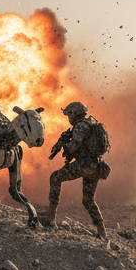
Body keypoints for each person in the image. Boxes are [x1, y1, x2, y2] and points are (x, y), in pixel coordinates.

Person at [46, 101, 109, 239]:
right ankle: (102, 232)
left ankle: (50, 218)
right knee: (88, 200)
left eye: (69, 115)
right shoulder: (92, 125)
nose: (69, 118)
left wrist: (64, 144)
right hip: (96, 166)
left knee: (55, 177)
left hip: (84, 165)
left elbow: (73, 146)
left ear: (74, 114)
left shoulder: (80, 126)